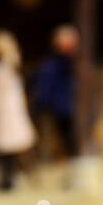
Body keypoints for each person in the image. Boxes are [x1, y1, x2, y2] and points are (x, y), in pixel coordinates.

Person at [0, 31, 36, 190]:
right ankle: (10, 178)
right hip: (10, 109)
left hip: (5, 110)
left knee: (7, 147)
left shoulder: (2, 66)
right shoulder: (12, 63)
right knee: (10, 147)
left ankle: (8, 180)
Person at [33, 24, 79, 159]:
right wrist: (42, 103)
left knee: (72, 139)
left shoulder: (77, 62)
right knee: (64, 139)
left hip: (73, 107)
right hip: (62, 107)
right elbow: (46, 86)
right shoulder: (54, 64)